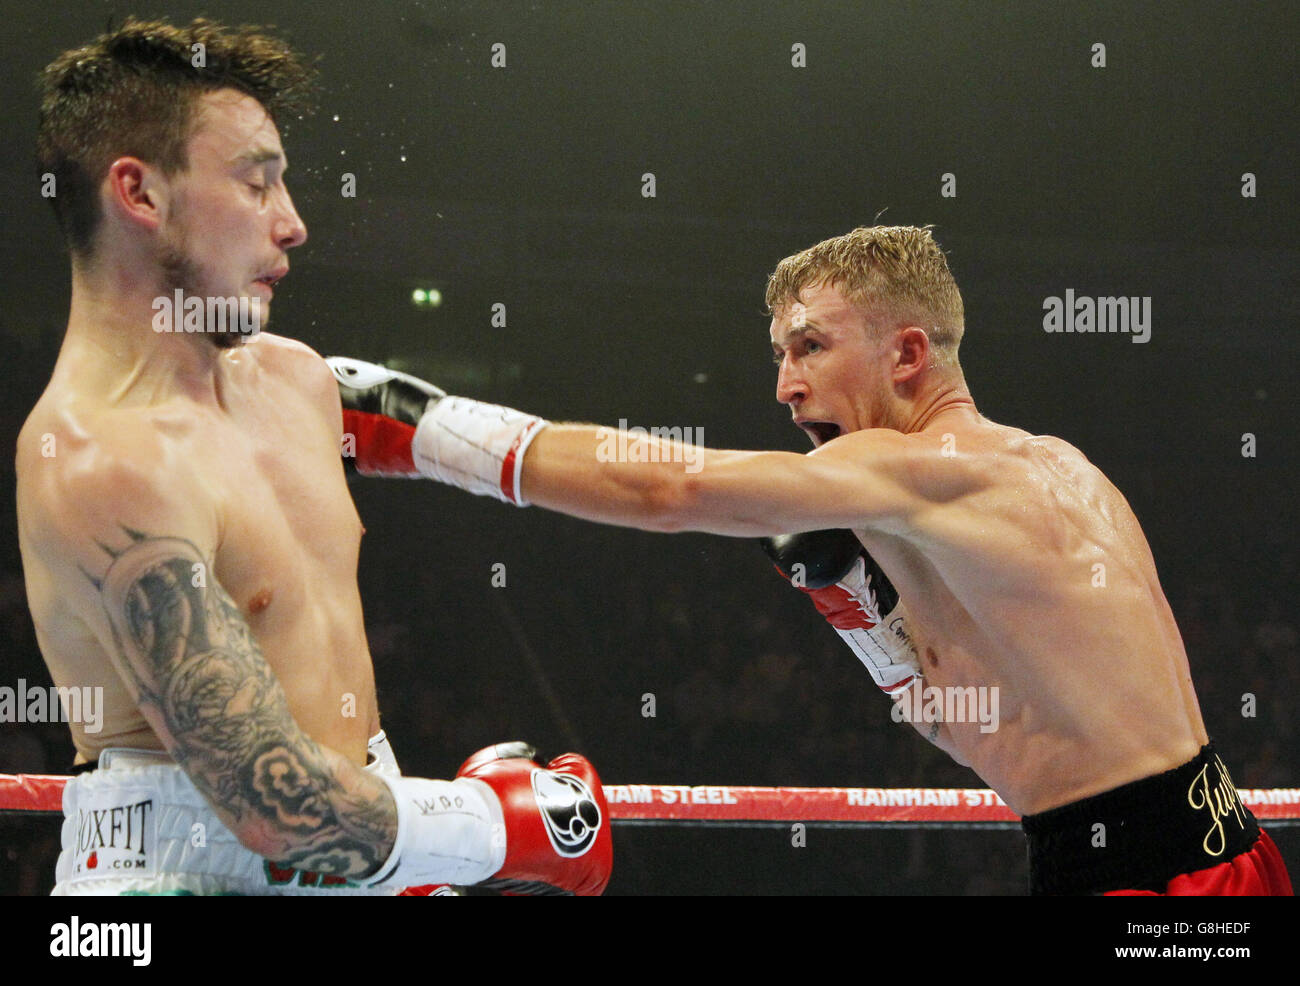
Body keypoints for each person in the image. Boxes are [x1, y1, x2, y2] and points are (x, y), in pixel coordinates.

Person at [333, 224, 1292, 896]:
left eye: (811, 346)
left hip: (1156, 879)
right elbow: (994, 738)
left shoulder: (923, 469)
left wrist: (428, 430)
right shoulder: (1053, 468)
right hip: (1204, 850)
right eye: (780, 352)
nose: (786, 386)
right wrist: (863, 620)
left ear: (907, 352)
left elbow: (677, 489)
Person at [16, 17, 611, 896]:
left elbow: (640, 478)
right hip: (183, 863)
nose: (293, 226)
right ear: (140, 195)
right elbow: (272, 805)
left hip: (366, 822)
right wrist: (496, 825)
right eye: (256, 185)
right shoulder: (100, 458)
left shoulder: (296, 382)